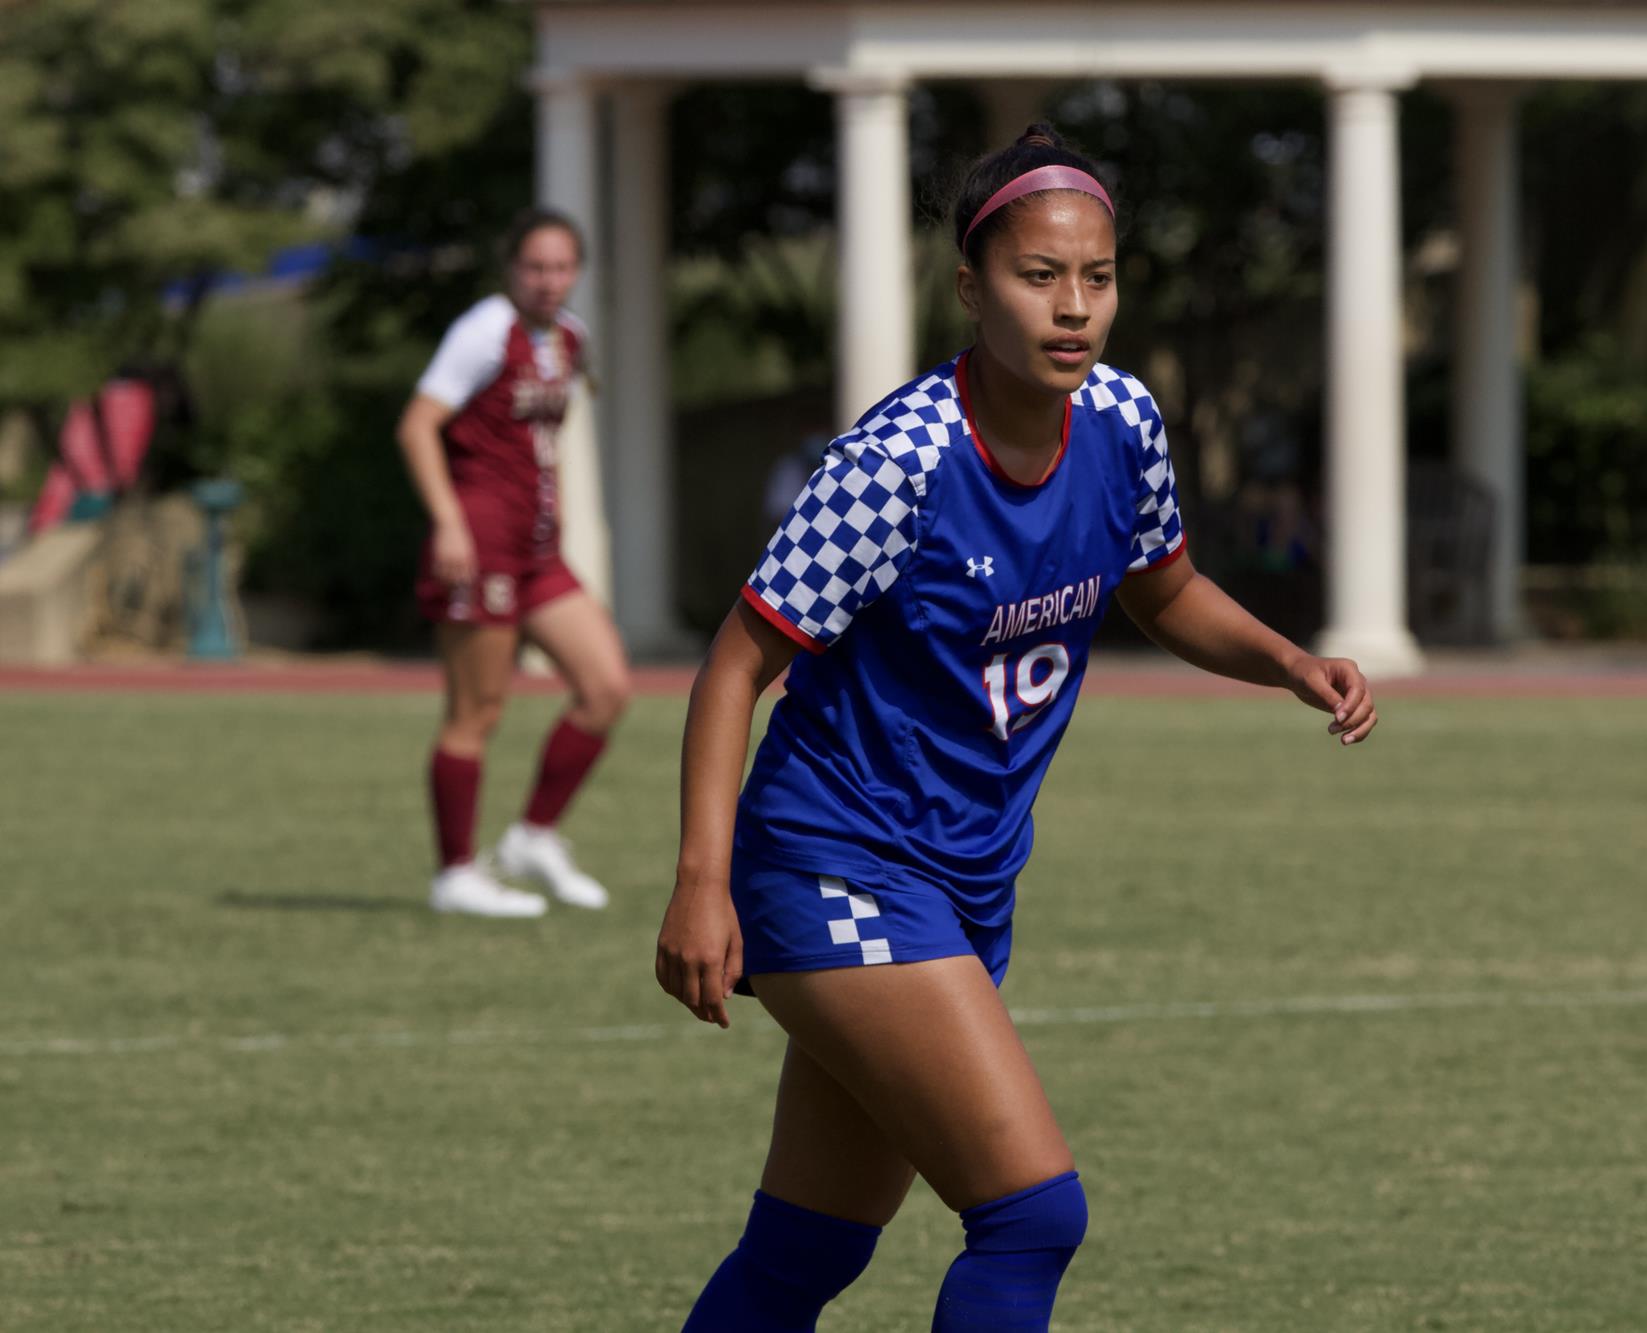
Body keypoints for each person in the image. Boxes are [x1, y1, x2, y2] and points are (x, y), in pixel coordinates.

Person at [655, 126, 1379, 1330]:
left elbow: (1163, 590)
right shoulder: (897, 462)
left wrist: (1288, 661)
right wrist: (700, 883)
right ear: (969, 287)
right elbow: (734, 666)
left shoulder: (1123, 420)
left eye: (1097, 276)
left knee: (803, 1251)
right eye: (1038, 276)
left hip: (964, 880)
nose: (1072, 306)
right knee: (1031, 1214)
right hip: (833, 863)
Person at [396, 207, 631, 919]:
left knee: (606, 688)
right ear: (511, 269)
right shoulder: (483, 330)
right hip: (481, 544)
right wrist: (448, 522)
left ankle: (533, 837)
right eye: (535, 267)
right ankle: (455, 874)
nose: (548, 280)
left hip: (538, 549)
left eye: (561, 267)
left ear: (577, 272)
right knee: (477, 711)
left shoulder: (570, 338)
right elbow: (417, 425)